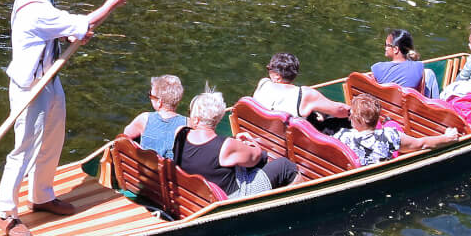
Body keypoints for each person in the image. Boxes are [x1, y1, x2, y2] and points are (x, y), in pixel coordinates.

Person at [0, 0, 130, 236]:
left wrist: (66, 36)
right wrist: (112, 3)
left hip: (49, 78)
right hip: (31, 87)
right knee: (24, 148)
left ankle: (41, 195)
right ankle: (5, 211)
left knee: (53, 137)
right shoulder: (35, 5)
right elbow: (81, 22)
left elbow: (55, 29)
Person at [170, 91, 298, 197]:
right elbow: (256, 157)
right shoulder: (225, 146)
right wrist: (252, 143)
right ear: (219, 117)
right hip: (232, 198)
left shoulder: (180, 134)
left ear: (195, 118)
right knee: (285, 166)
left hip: (198, 195)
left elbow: (205, 151)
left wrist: (234, 142)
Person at [337, 93, 455, 165]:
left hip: (361, 174)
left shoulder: (342, 136)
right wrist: (447, 138)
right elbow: (421, 144)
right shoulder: (390, 135)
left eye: (351, 114)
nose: (349, 117)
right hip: (383, 171)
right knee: (392, 125)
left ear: (359, 119)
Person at [251, 51, 340, 128]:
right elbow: (339, 111)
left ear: (276, 75)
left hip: (265, 134)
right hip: (291, 141)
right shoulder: (304, 94)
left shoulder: (263, 83)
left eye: (269, 69)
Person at [122, 74, 186, 159]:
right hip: (170, 171)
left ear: (159, 102)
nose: (149, 97)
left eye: (150, 95)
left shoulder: (144, 119)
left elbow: (124, 137)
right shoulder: (187, 124)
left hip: (144, 169)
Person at [370, 29, 431, 94]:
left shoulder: (377, 68)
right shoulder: (419, 67)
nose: (385, 48)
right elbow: (420, 95)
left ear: (396, 49)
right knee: (429, 73)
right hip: (408, 103)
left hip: (384, 103)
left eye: (387, 45)